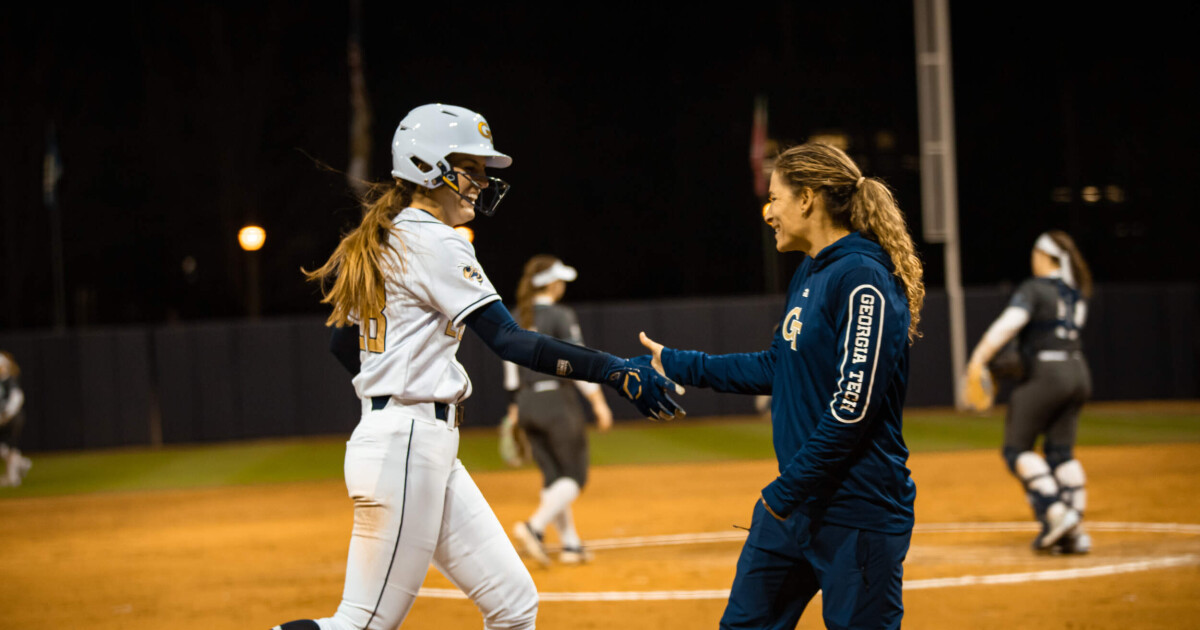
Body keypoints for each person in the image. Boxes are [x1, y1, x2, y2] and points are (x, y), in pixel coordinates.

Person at [271, 103, 683, 630]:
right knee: (361, 624)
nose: (481, 181)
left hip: (411, 441)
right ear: (427, 166)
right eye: (471, 166)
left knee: (514, 606)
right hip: (407, 444)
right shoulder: (434, 238)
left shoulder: (387, 236)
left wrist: (386, 392)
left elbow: (340, 348)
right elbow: (509, 341)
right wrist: (612, 369)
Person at [639, 142, 924, 629]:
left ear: (808, 199)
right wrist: (678, 364)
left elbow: (851, 408)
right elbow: (777, 367)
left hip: (856, 512)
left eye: (775, 198)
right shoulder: (811, 273)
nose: (768, 212)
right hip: (795, 508)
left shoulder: (864, 280)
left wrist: (782, 493)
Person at [964, 230, 1093, 554]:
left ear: (1043, 256)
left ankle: (1055, 512)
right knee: (1061, 452)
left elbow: (1009, 324)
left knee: (1017, 450)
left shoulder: (1035, 289)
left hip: (1047, 374)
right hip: (1078, 372)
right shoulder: (1075, 293)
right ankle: (1075, 529)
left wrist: (978, 359)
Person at [504, 255, 613, 567]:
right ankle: (533, 527)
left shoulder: (514, 317)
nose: (563, 284)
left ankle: (570, 545)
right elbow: (577, 362)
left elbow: (510, 372)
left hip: (526, 403)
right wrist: (598, 402)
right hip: (556, 403)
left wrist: (514, 406)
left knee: (554, 479)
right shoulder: (561, 315)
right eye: (560, 279)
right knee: (575, 477)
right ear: (551, 284)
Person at [0, 351, 32, 488]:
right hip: (4, 419)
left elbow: (16, 399)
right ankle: (21, 464)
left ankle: (12, 477)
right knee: (6, 448)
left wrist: (5, 415)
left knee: (10, 446)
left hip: (12, 419)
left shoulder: (10, 381)